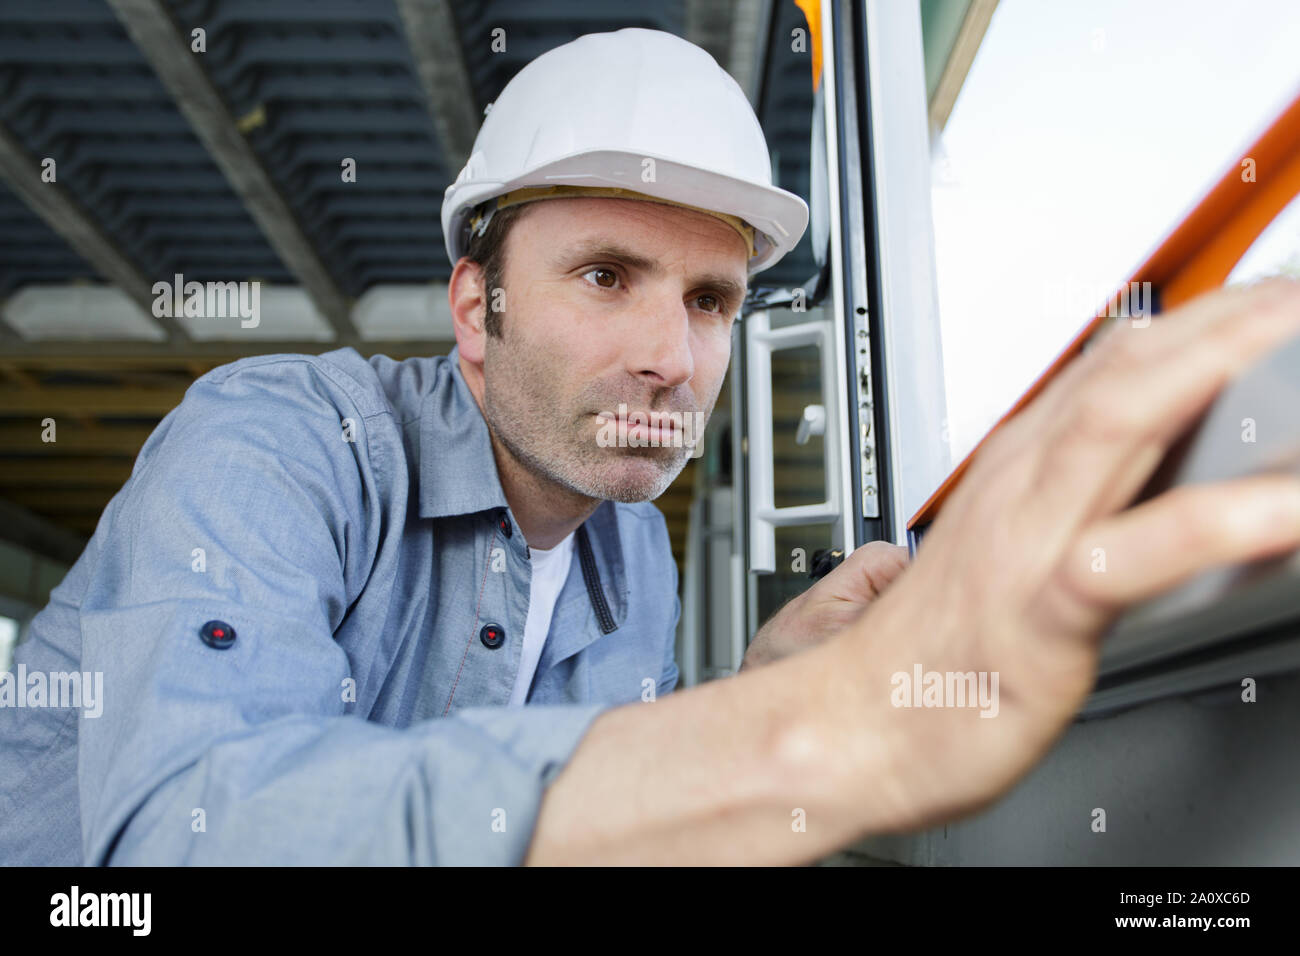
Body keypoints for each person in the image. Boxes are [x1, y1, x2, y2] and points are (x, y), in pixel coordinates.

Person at [4, 28, 1300, 867]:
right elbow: (187, 829)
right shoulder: (273, 443)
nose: (670, 359)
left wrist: (746, 694)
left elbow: (584, 781)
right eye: (608, 274)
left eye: (708, 301)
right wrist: (816, 733)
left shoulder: (631, 543)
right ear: (479, 307)